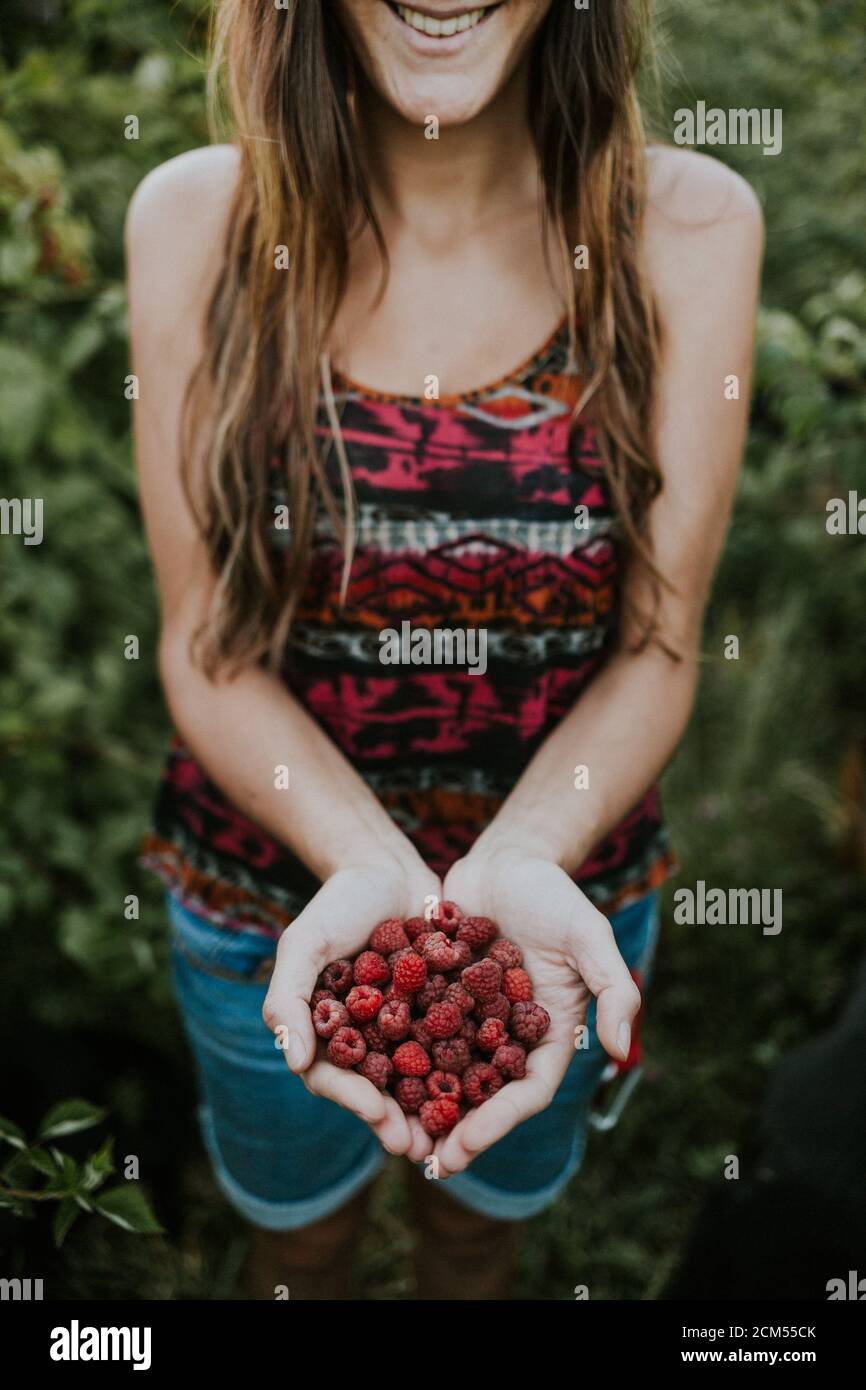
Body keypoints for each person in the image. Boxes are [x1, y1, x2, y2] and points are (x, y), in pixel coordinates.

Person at [126, 0, 762, 1300]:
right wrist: (375, 865)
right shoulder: (197, 222)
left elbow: (656, 644)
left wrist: (511, 863)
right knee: (297, 1250)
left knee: (474, 1242)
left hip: (562, 906)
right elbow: (205, 646)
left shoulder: (686, 229)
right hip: (265, 914)